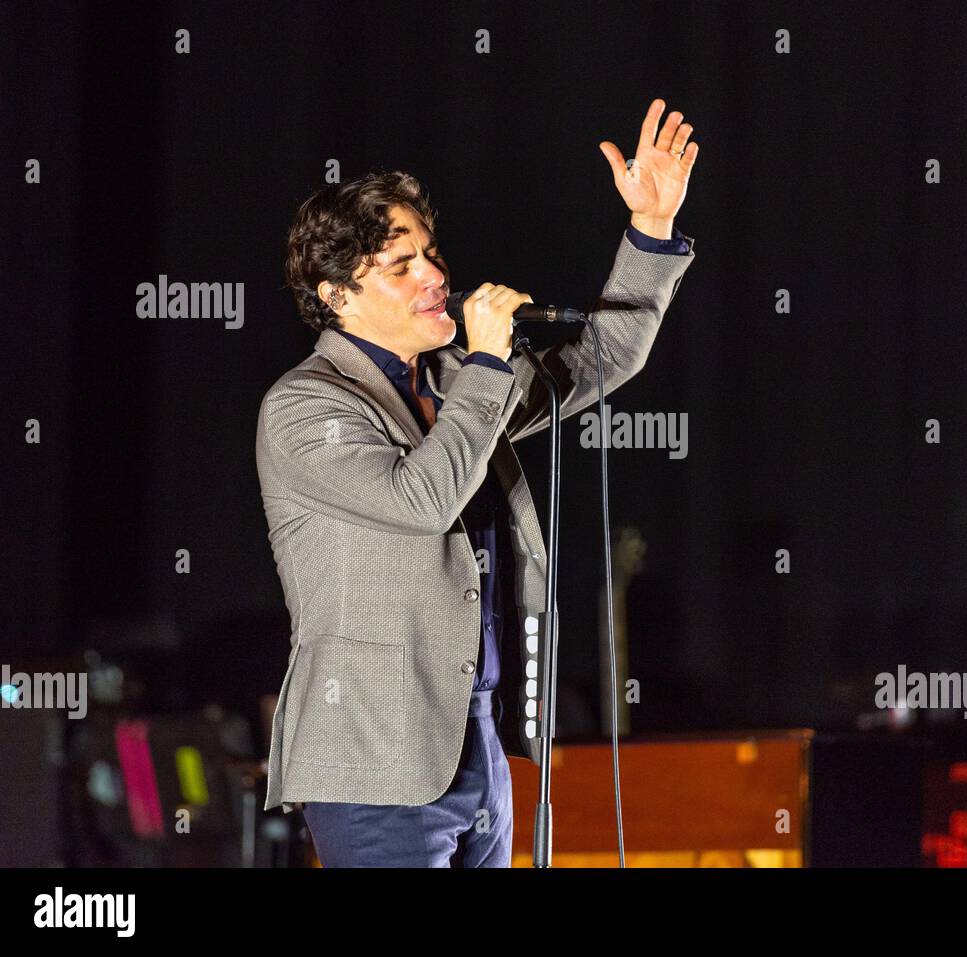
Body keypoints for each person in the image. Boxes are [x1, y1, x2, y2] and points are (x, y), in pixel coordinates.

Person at [255, 98, 698, 866]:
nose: (434, 275)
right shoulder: (305, 406)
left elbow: (603, 357)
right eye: (402, 266)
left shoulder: (459, 380)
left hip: (479, 744)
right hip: (376, 765)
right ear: (336, 295)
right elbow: (420, 499)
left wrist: (651, 228)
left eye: (432, 253)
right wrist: (489, 364)